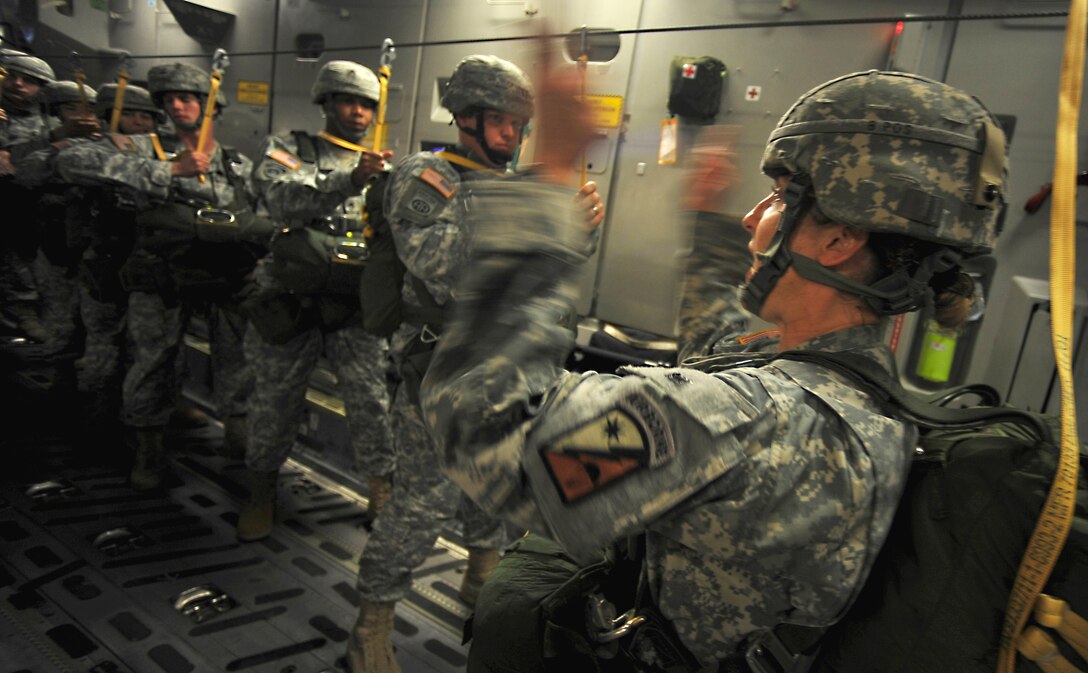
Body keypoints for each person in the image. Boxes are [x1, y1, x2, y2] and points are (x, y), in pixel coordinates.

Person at [420, 67, 1008, 672]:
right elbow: (721, 349)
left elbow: (486, 433)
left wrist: (543, 197)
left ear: (842, 240)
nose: (753, 218)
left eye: (782, 196)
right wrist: (707, 226)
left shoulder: (747, 422)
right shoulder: (857, 395)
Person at [346, 53, 603, 673]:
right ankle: (370, 624)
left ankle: (481, 576)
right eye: (502, 122)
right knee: (422, 503)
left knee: (496, 492)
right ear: (466, 118)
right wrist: (543, 208)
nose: (512, 135)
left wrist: (577, 227)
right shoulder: (425, 177)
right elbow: (443, 266)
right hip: (444, 369)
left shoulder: (522, 184)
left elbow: (546, 273)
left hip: (512, 366)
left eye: (520, 123)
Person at [41, 62, 260, 489]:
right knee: (154, 359)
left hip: (220, 276)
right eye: (169, 99)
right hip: (159, 273)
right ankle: (147, 448)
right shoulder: (138, 148)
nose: (178, 106)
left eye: (188, 98)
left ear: (210, 106)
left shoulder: (235, 163)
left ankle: (239, 435)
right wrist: (166, 171)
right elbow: (71, 163)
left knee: (238, 357)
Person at [237, 60, 395, 541]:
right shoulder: (288, 149)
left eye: (368, 104)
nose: (358, 112)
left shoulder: (386, 166)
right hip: (295, 294)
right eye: (348, 101)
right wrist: (346, 181)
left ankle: (381, 492)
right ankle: (260, 490)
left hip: (353, 301)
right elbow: (281, 201)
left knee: (371, 402)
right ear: (325, 102)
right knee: (276, 399)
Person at [0, 52, 54, 341]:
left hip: (36, 206)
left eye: (28, 81)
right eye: (13, 76)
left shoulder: (49, 121)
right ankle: (22, 306)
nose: (17, 84)